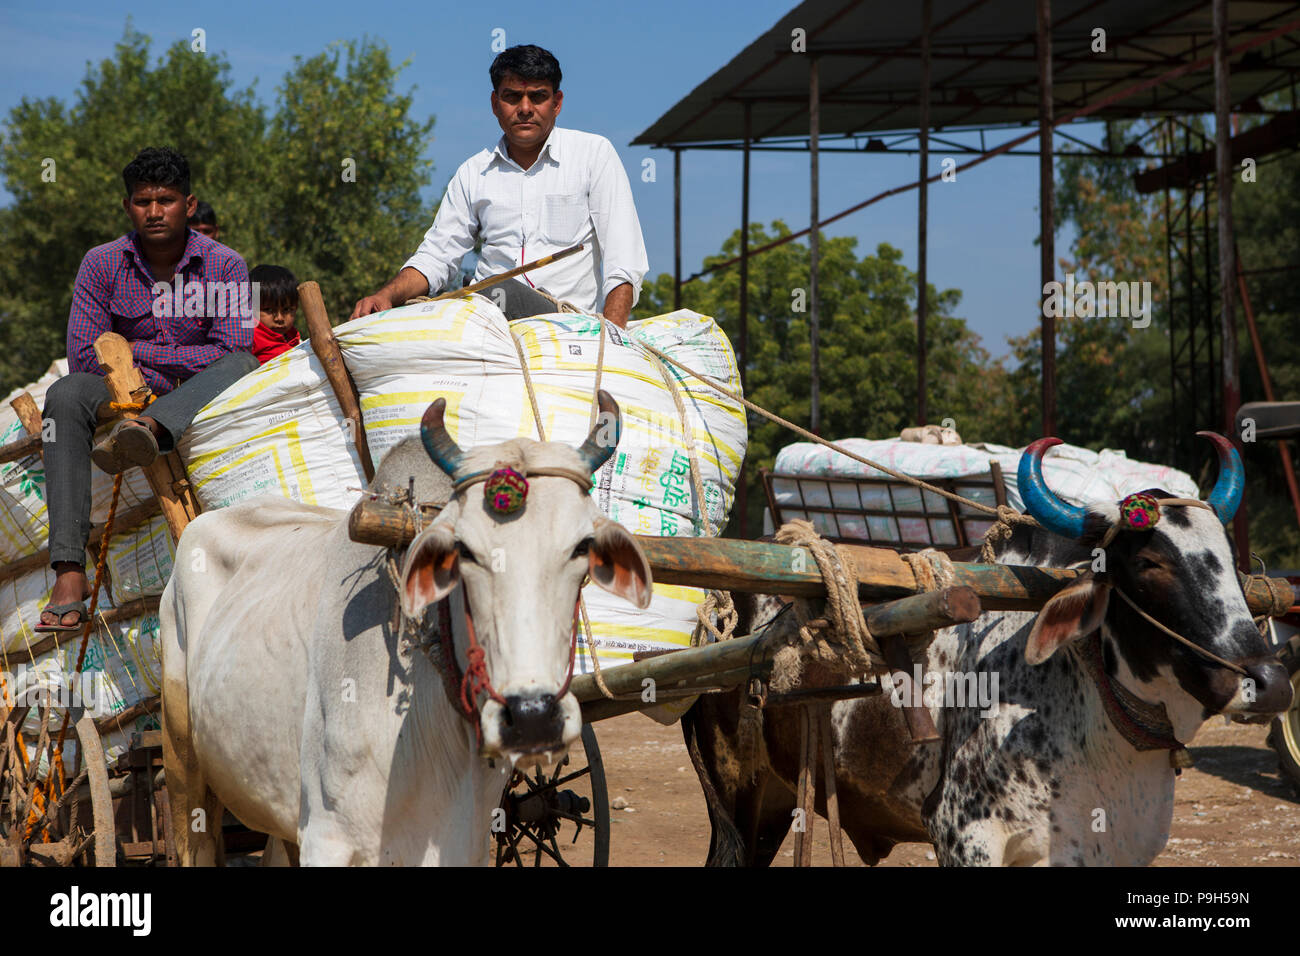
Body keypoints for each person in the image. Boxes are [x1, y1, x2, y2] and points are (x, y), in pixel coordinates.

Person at [37, 147, 258, 632]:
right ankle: (70, 573)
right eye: (143, 202)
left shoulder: (227, 266)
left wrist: (134, 351)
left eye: (166, 200)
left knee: (243, 363)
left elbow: (234, 349)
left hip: (191, 394)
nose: (154, 212)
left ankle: (151, 429)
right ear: (127, 207)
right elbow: (84, 354)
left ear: (190, 204)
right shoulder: (100, 264)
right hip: (116, 390)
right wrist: (143, 363)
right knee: (66, 393)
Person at [351, 44, 648, 327]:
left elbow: (624, 260)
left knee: (497, 292)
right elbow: (438, 255)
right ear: (495, 104)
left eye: (538, 96)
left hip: (566, 327)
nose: (525, 108)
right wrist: (386, 295)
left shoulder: (593, 155)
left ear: (556, 103)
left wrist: (610, 336)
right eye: (512, 96)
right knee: (467, 303)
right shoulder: (473, 172)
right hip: (490, 324)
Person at [249, 264, 302, 363]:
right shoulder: (249, 338)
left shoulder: (294, 338)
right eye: (268, 310)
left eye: (286, 310)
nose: (279, 318)